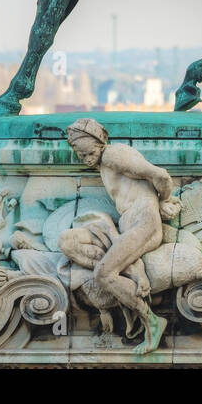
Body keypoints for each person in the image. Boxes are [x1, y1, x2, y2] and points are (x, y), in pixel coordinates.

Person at [62, 117, 180, 353]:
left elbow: (162, 176)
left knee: (104, 274)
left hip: (142, 222)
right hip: (132, 224)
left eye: (85, 149)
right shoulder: (105, 162)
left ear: (98, 140)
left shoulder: (112, 155)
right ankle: (137, 286)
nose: (82, 156)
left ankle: (152, 322)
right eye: (77, 151)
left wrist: (164, 201)